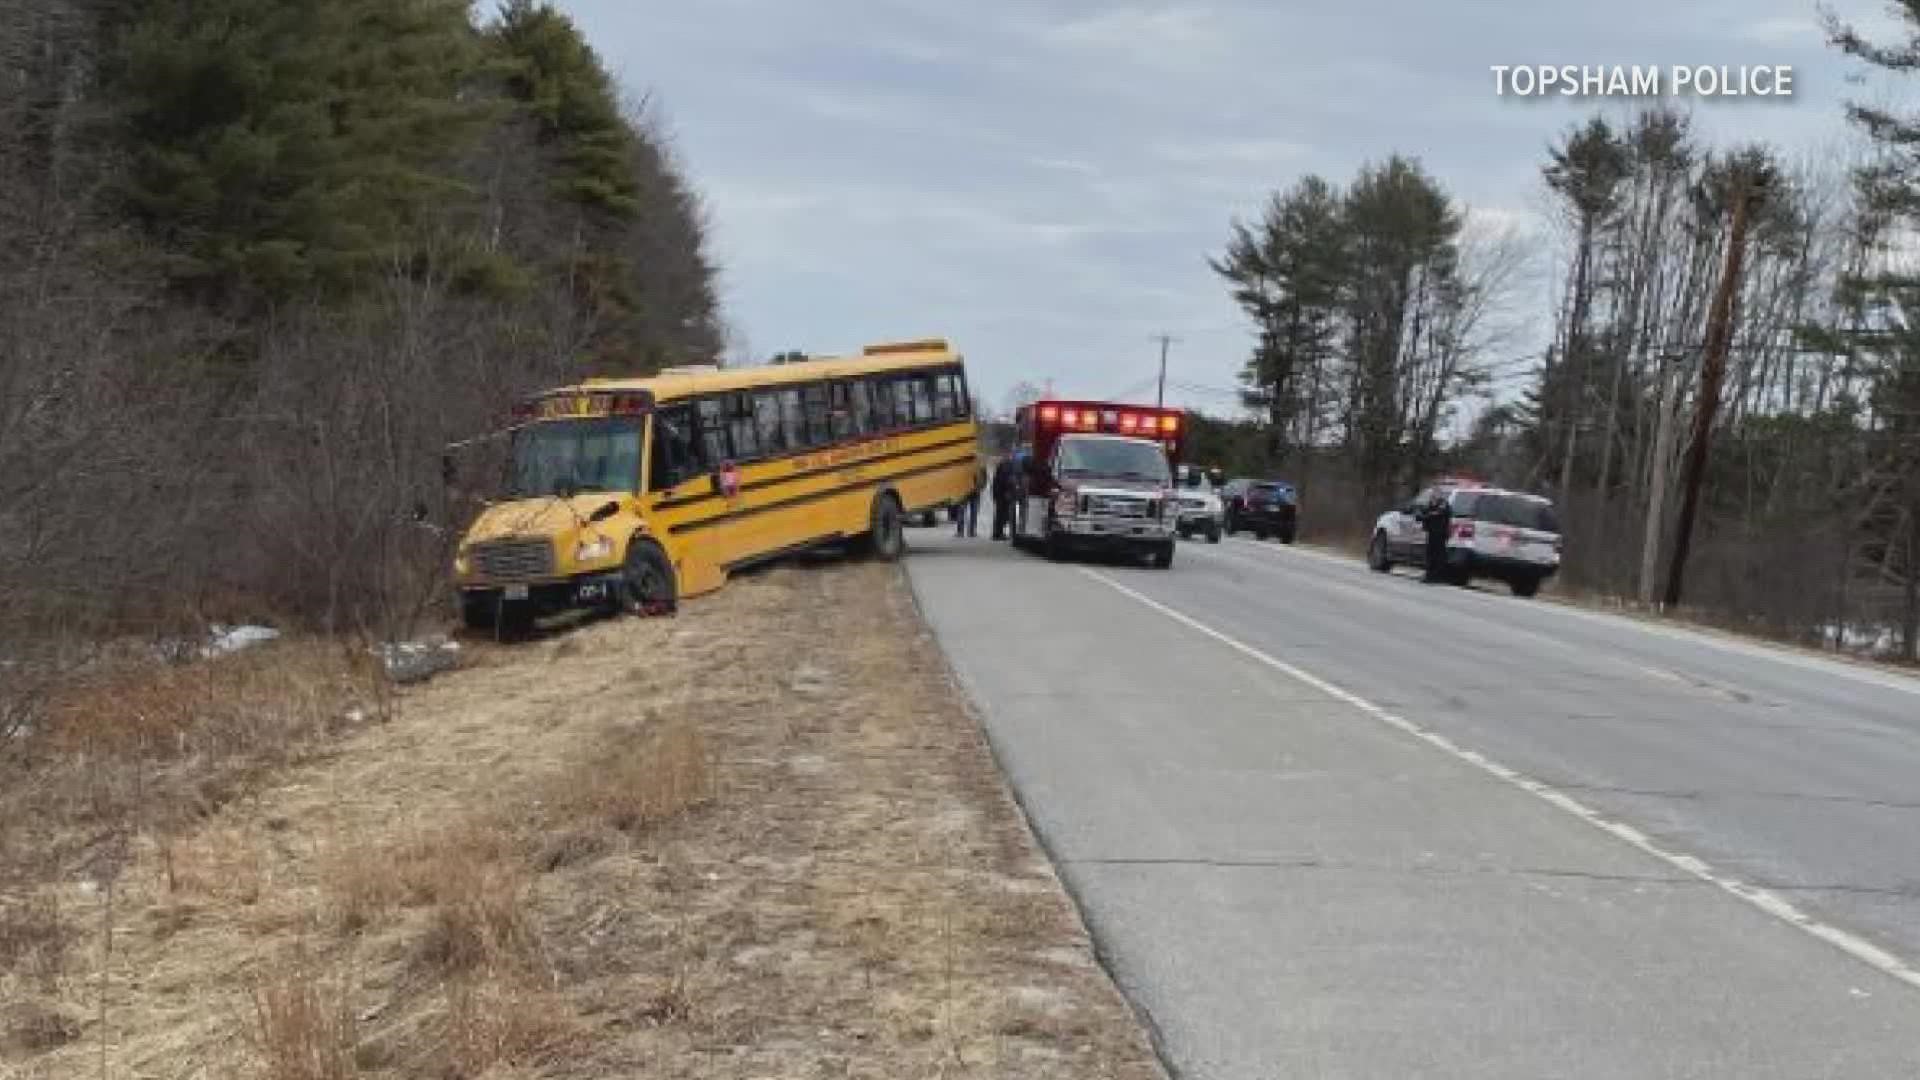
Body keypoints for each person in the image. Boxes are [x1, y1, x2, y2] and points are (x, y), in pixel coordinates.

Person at [1417, 491, 1453, 583]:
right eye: (1432, 497)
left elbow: (1437, 514)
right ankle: (1430, 574)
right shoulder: (1430, 505)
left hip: (1440, 534)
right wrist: (1423, 515)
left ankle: (1437, 576)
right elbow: (1421, 515)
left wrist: (1428, 515)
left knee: (1439, 555)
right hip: (1432, 533)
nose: (1433, 498)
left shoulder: (1443, 505)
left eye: (1434, 496)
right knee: (1430, 554)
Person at [990, 453, 1019, 540]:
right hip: (1003, 494)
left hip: (999, 494)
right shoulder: (1006, 467)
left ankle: (997, 533)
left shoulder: (1001, 466)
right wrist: (1010, 490)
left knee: (999, 514)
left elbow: (997, 481)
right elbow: (1006, 481)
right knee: (1002, 514)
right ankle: (998, 533)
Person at [955, 461, 984, 537]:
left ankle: (960, 532)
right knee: (973, 512)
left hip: (965, 491)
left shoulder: (963, 465)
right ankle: (972, 531)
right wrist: (980, 488)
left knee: (962, 511)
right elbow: (984, 477)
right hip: (974, 491)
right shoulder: (979, 465)